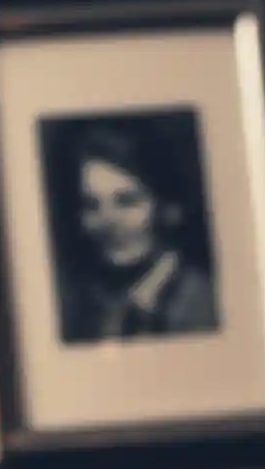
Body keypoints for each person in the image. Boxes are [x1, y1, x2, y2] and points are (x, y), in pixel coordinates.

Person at [56, 125, 218, 342]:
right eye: (91, 205)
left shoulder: (201, 307)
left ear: (169, 209)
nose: (108, 221)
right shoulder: (84, 307)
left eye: (127, 201)